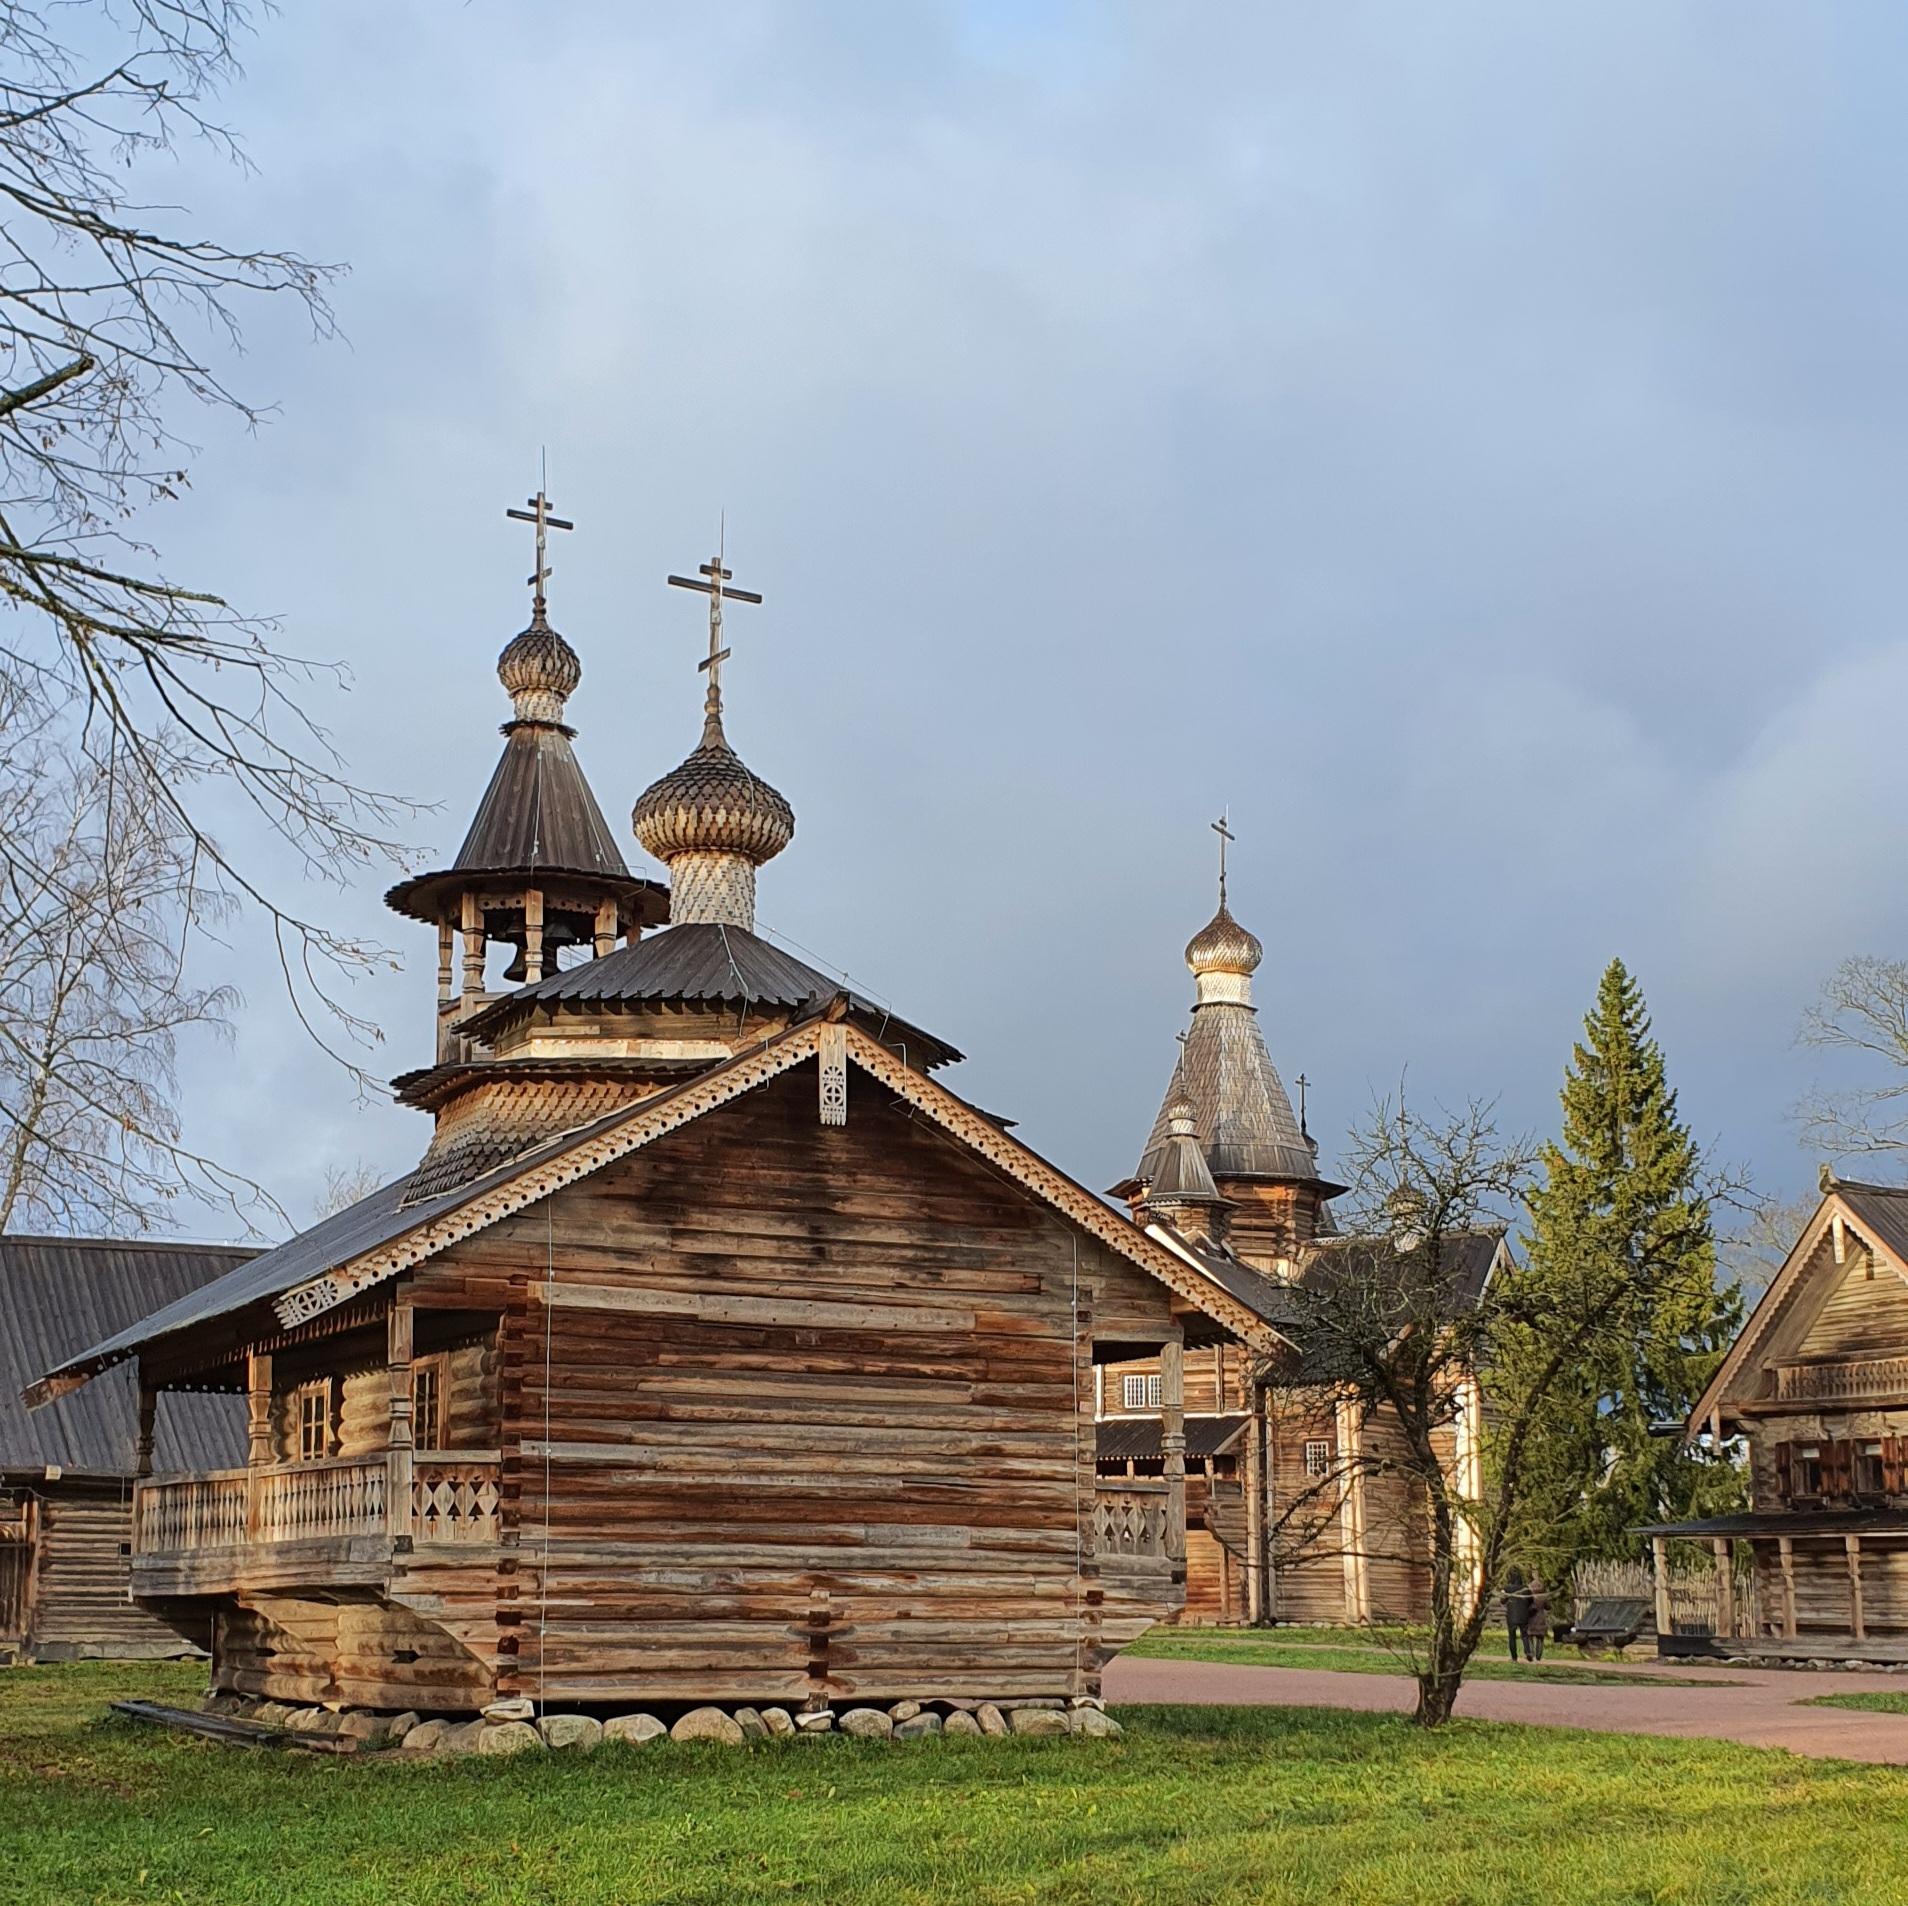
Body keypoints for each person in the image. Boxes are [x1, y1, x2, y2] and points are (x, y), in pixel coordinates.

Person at [1503, 1570, 1531, 1662]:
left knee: (1512, 1637)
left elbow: (1502, 1601)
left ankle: (1514, 1657)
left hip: (1512, 1616)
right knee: (1525, 1635)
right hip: (1523, 1615)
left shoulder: (1507, 1589)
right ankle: (1528, 1652)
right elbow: (1531, 1600)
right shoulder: (1526, 1589)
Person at [1524, 1575, 1552, 1663]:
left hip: (1531, 1619)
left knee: (1530, 1637)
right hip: (1541, 1620)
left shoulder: (1530, 1597)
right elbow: (1548, 1607)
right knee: (1540, 1638)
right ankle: (1538, 1656)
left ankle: (1531, 1653)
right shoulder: (1543, 1597)